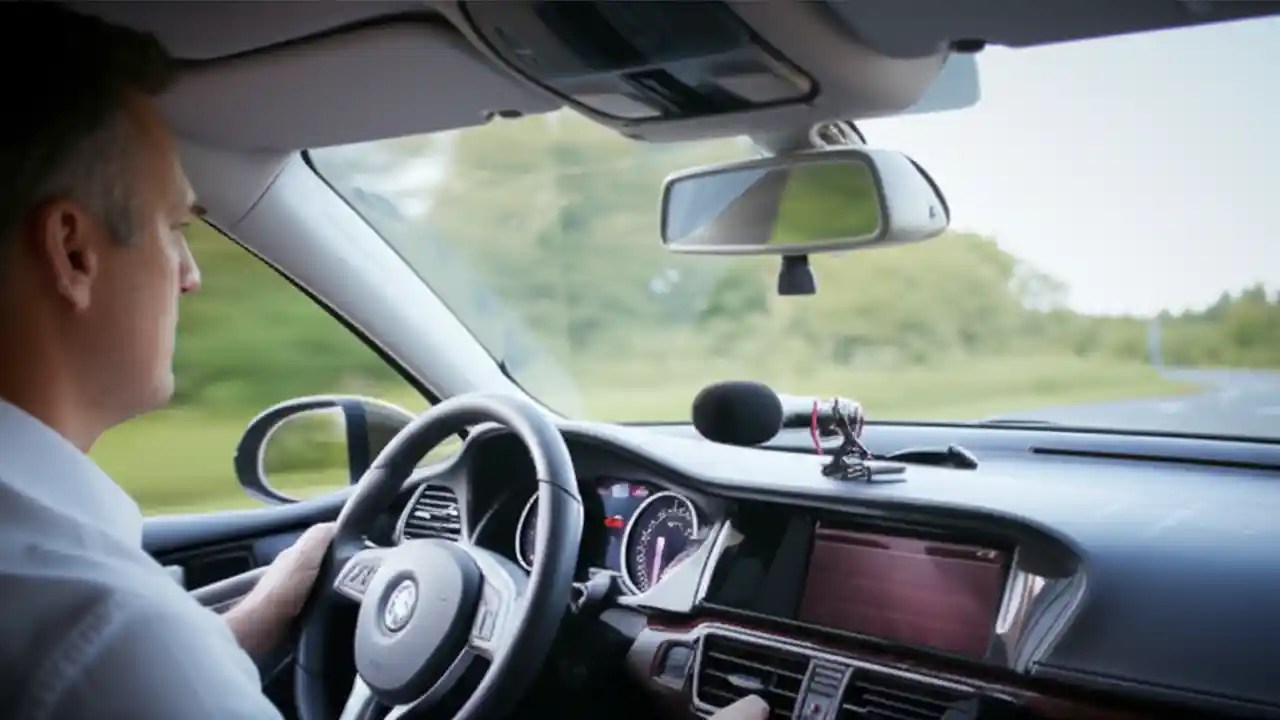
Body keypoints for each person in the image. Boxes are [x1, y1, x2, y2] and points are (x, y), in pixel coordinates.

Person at [0, 4, 767, 719]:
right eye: (175, 228)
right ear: (73, 251)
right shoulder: (100, 631)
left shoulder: (76, 613)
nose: (189, 274)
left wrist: (258, 622)